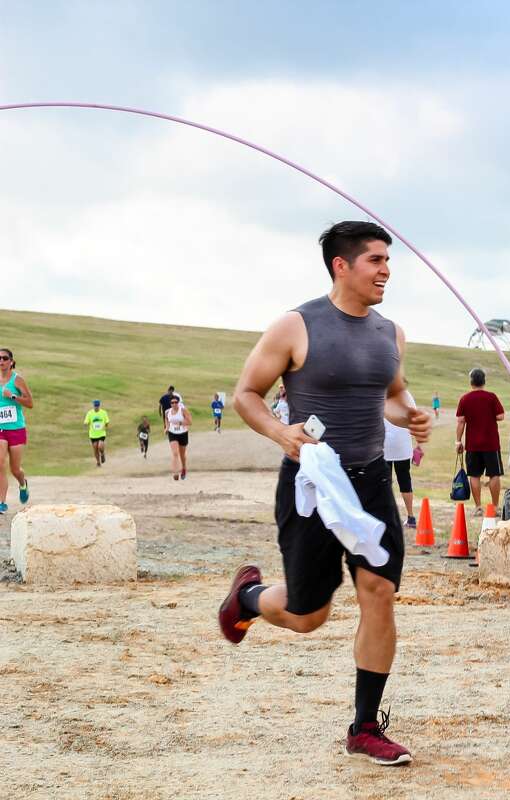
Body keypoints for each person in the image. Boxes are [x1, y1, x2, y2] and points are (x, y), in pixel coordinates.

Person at [217, 220, 431, 767]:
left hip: (372, 483)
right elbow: (246, 394)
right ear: (342, 265)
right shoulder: (296, 325)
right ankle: (248, 598)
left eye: (388, 261)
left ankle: (365, 727)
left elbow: (391, 394)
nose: (386, 271)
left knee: (379, 592)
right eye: (376, 260)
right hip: (312, 485)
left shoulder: (391, 333)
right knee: (307, 614)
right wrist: (279, 432)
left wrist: (410, 415)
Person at [456, 367, 505, 516]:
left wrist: (458, 441)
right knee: (494, 474)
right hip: (491, 443)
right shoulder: (491, 397)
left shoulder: (465, 399)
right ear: (484, 381)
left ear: (471, 382)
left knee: (474, 475)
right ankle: (495, 507)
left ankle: (478, 507)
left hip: (473, 445)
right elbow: (501, 416)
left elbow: (461, 422)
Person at [0, 348, 32, 514]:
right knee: (0, 463)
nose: (1, 361)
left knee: (15, 469)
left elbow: (30, 403)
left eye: (4, 358)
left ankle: (22, 483)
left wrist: (12, 396)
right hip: (1, 429)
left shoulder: (17, 380)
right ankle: (2, 502)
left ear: (11, 361)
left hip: (16, 429)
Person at [384, 389, 418, 528]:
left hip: (383, 444)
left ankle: (387, 517)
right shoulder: (405, 393)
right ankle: (411, 517)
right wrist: (419, 445)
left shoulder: (378, 390)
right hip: (402, 444)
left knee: (384, 482)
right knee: (405, 480)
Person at [165, 396, 192, 480]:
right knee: (175, 453)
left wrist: (180, 423)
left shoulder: (183, 410)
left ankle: (184, 468)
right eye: (172, 402)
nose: (174, 404)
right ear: (170, 404)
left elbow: (190, 422)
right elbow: (167, 420)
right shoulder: (167, 412)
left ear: (178, 403)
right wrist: (167, 428)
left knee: (182, 454)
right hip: (172, 433)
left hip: (183, 433)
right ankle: (175, 473)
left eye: (176, 402)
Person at [85, 399, 110, 467]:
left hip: (101, 433)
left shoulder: (103, 413)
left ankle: (102, 454)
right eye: (95, 406)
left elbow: (107, 421)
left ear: (99, 406)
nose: (96, 407)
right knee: (95, 448)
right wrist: (86, 423)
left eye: (97, 406)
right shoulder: (90, 413)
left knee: (100, 446)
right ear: (93, 406)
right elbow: (86, 421)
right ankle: (98, 462)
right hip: (93, 434)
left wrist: (106, 425)